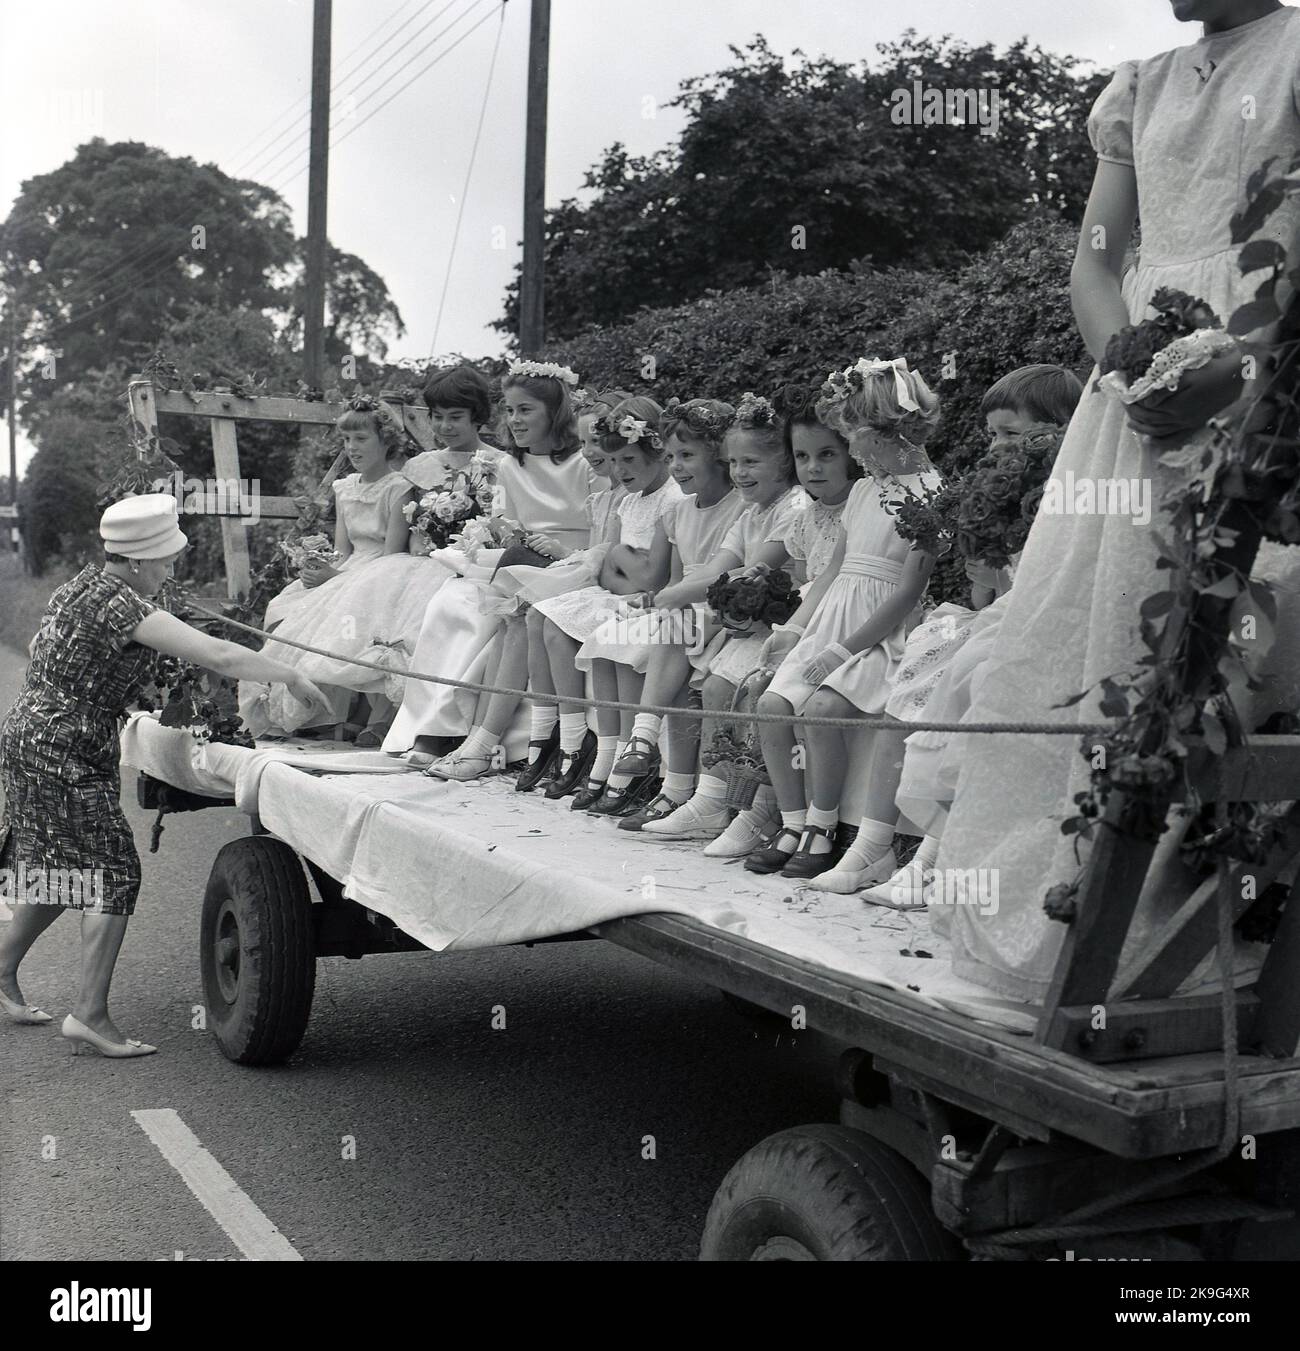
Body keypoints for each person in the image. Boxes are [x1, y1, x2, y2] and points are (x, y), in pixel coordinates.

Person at [936, 0, 1300, 1002]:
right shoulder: (1138, 88)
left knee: (1235, 631)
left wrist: (1240, 368)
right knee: (1105, 629)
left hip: (1269, 374)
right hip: (1140, 391)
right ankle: (1087, 923)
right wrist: (1128, 364)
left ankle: (1219, 921)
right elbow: (1099, 260)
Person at [0, 495, 323, 1055]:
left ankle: (1, 972)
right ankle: (90, 1015)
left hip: (31, 731)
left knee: (61, 863)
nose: (173, 568)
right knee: (113, 873)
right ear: (141, 561)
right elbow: (219, 656)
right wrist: (289, 674)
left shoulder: (79, 586)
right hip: (63, 746)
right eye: (168, 560)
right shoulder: (125, 608)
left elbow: (36, 648)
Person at [869, 364, 1084, 908]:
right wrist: (984, 568)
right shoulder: (1005, 490)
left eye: (1011, 433)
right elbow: (988, 594)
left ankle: (938, 861)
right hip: (1007, 610)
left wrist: (999, 580)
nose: (996, 445)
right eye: (992, 432)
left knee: (978, 677)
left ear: (1059, 429)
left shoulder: (1074, 491)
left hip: (1051, 617)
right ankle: (911, 853)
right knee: (938, 653)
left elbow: (1056, 580)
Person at [748, 358, 941, 884]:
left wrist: (841, 651)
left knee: (824, 707)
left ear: (887, 429)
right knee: (771, 701)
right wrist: (794, 631)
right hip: (833, 617)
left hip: (878, 632)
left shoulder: (933, 493)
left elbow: (908, 592)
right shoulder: (861, 491)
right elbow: (833, 571)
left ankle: (823, 826)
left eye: (853, 436)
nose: (851, 449)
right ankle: (792, 823)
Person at [386, 360, 592, 767]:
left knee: (503, 616)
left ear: (556, 411)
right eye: (510, 410)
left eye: (526, 410)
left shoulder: (586, 464)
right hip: (521, 560)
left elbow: (602, 530)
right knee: (453, 600)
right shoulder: (511, 465)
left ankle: (480, 739)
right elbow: (508, 525)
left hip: (573, 564)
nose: (514, 420)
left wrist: (558, 553)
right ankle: (434, 728)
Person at [572, 397, 744, 813]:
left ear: (719, 455)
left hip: (725, 607)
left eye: (686, 455)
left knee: (673, 630)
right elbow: (671, 579)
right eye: (672, 456)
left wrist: (666, 598)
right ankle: (651, 767)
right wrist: (663, 599)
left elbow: (709, 575)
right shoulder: (680, 513)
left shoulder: (740, 507)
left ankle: (650, 749)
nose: (677, 466)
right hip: (687, 609)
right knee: (625, 633)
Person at [517, 397, 683, 798]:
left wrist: (621, 563)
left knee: (606, 639)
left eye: (629, 459)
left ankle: (612, 755)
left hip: (644, 600)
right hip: (616, 591)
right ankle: (562, 739)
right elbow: (611, 563)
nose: (621, 471)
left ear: (657, 451)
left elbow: (653, 579)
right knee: (539, 618)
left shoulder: (672, 500)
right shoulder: (629, 500)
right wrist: (622, 563)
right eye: (616, 461)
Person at [237, 396, 415, 739]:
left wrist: (337, 580)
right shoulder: (345, 488)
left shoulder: (399, 489)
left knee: (350, 612)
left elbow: (393, 559)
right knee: (285, 607)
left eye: (361, 439)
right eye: (346, 440)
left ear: (386, 440)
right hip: (350, 568)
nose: (352, 447)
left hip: (385, 575)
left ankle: (373, 715)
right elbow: (342, 550)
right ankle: (317, 709)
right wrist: (319, 569)